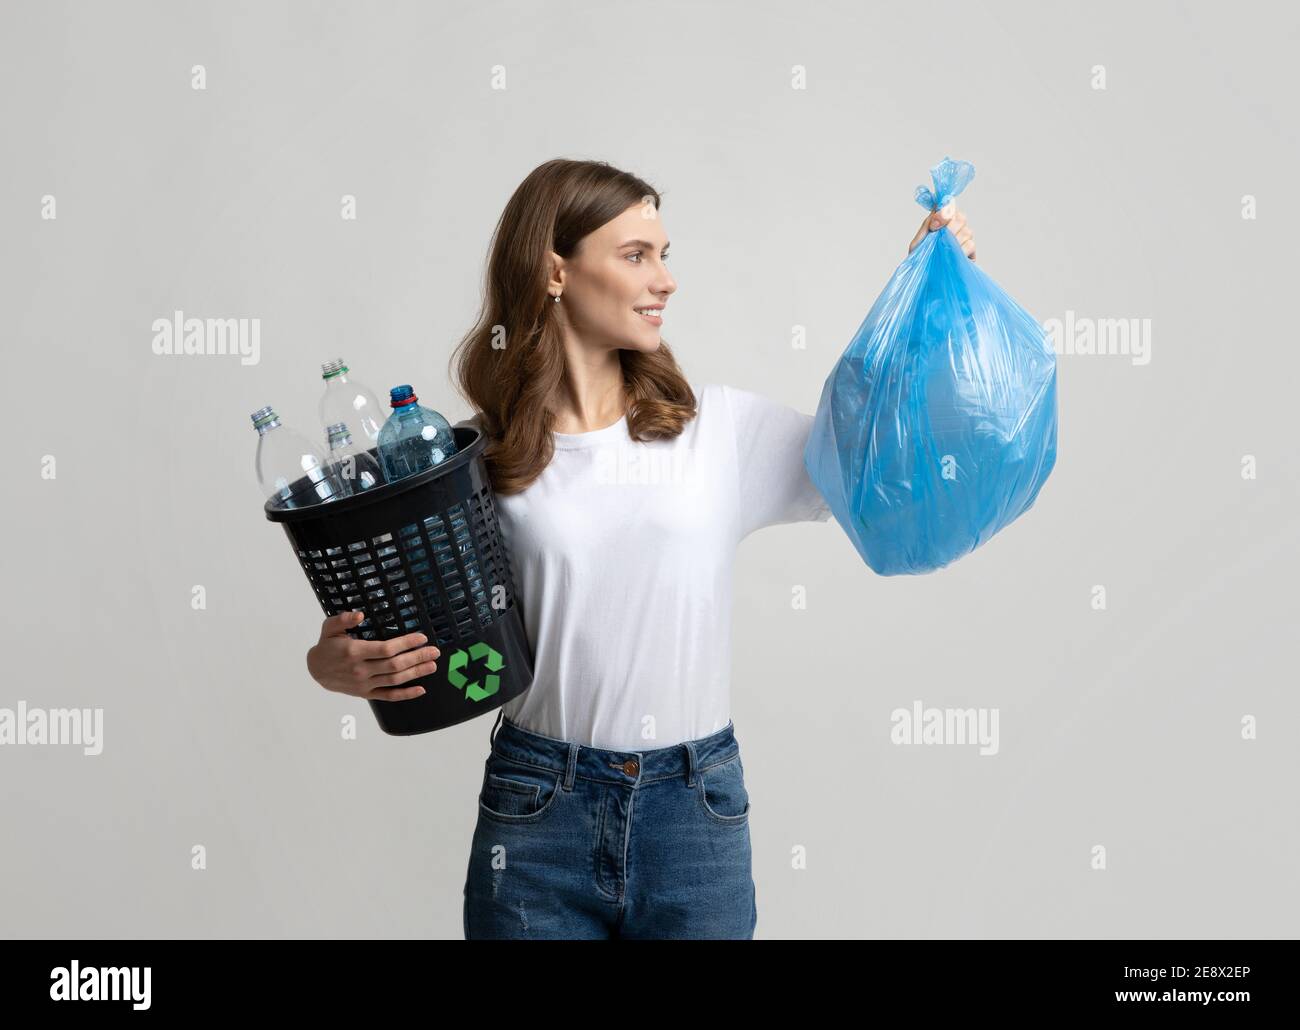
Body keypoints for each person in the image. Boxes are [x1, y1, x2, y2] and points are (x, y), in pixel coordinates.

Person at [305, 158, 976, 939]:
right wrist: (332, 666)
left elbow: (872, 457)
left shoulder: (718, 432)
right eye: (636, 255)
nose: (665, 280)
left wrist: (925, 291)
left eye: (664, 254)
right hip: (536, 810)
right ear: (555, 271)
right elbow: (407, 632)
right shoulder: (480, 463)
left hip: (694, 812)